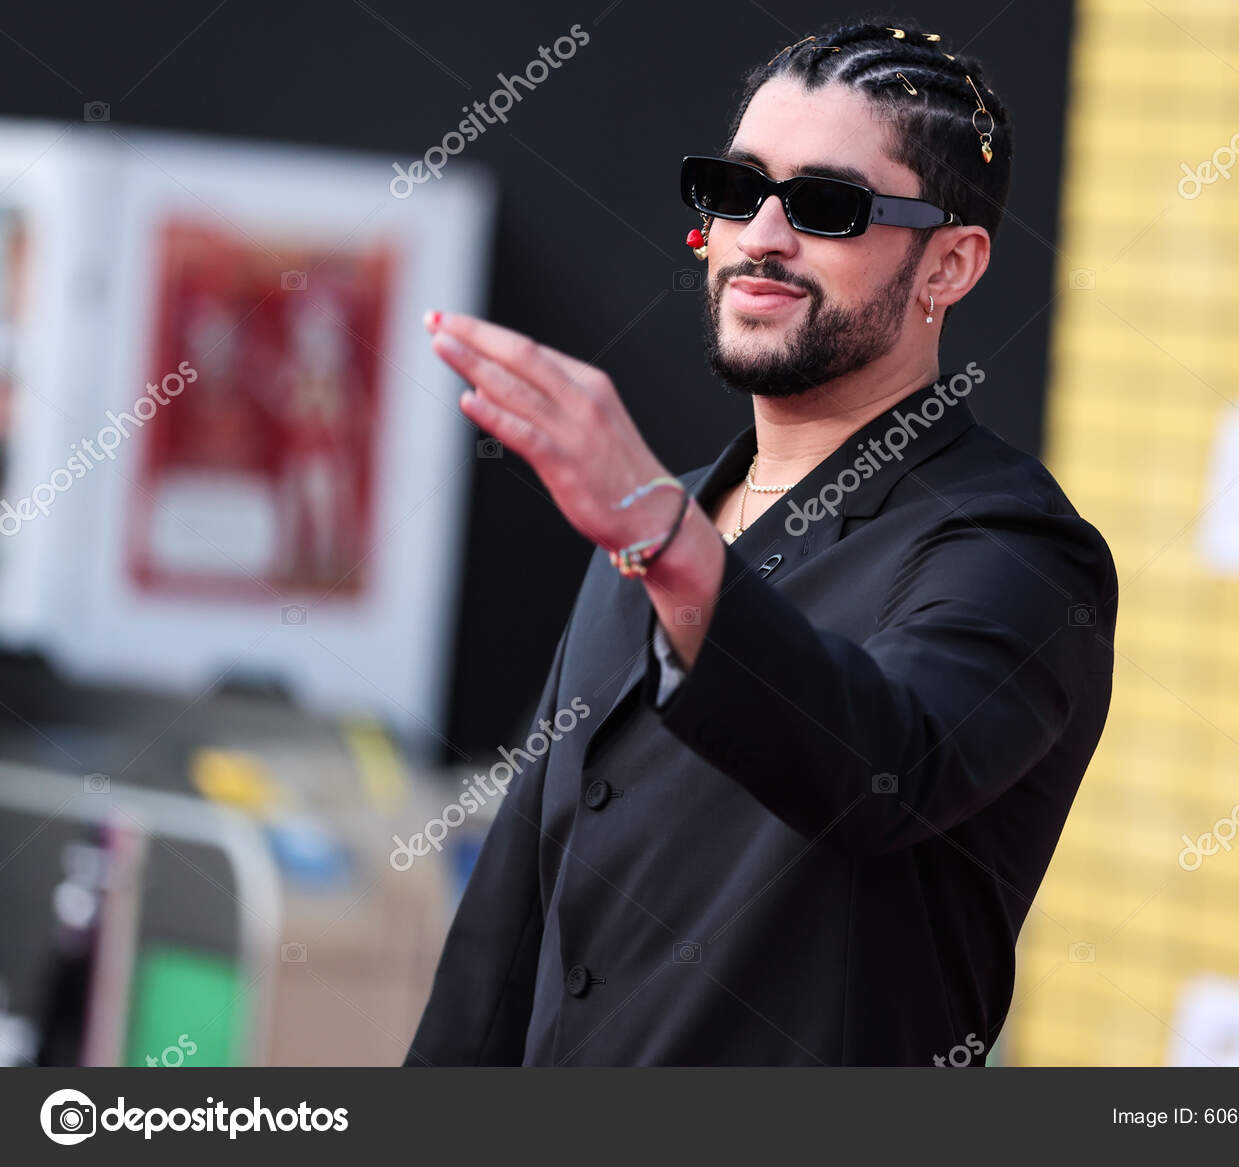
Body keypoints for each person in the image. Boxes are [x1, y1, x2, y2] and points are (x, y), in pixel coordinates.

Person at [404, 20, 1116, 1067]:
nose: (761, 237)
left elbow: (887, 767)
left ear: (949, 266)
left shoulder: (1011, 548)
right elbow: (507, 929)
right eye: (735, 191)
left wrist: (662, 539)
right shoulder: (667, 512)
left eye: (826, 206)